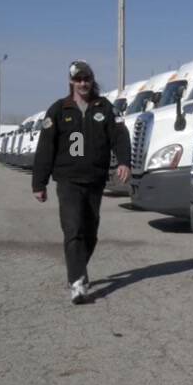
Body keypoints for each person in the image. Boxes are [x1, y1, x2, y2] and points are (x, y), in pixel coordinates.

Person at [32, 61, 131, 304]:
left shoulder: (105, 107)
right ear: (71, 82)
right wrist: (39, 183)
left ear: (91, 80)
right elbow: (45, 148)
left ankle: (77, 268)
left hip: (95, 178)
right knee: (73, 228)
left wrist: (124, 161)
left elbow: (120, 135)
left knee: (91, 231)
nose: (83, 83)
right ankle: (77, 281)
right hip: (68, 180)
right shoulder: (59, 109)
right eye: (78, 79)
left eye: (86, 79)